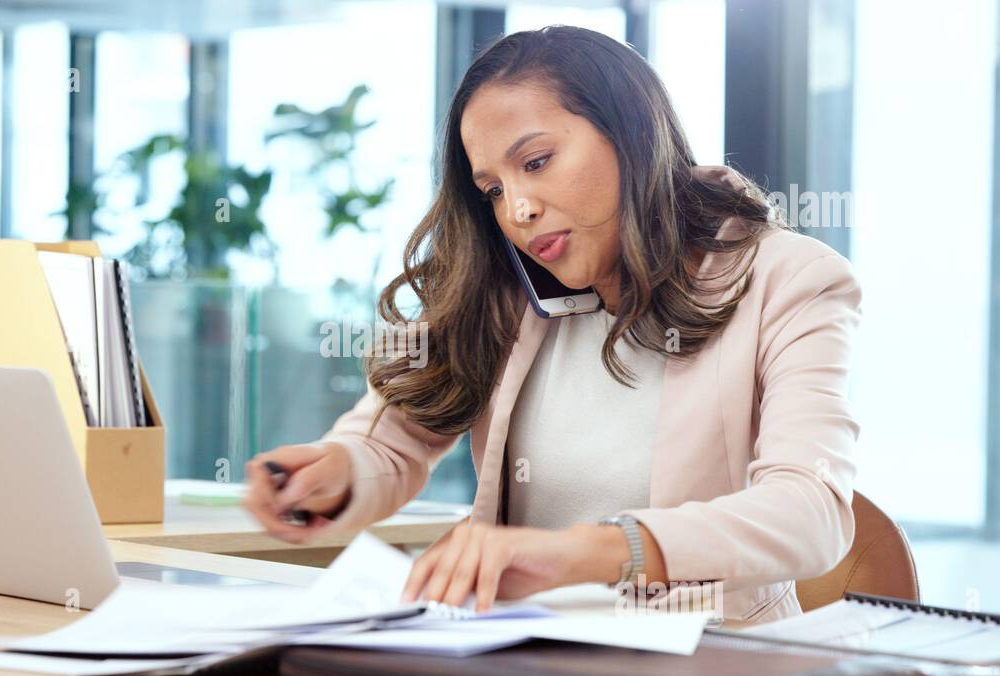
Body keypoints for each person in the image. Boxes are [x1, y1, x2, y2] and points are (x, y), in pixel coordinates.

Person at [242, 25, 861, 625]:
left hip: (710, 659)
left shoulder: (791, 279)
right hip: (518, 652)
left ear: (632, 134)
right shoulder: (502, 281)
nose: (517, 209)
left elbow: (810, 511)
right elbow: (389, 441)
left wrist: (590, 552)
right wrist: (334, 472)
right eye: (491, 189)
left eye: (536, 162)